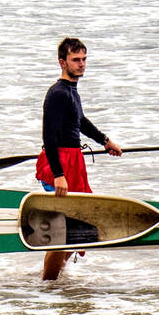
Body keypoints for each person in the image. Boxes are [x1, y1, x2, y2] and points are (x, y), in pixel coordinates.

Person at [34, 38, 122, 281]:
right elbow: (49, 136)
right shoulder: (57, 93)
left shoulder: (72, 91)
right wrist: (59, 175)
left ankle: (53, 281)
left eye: (84, 59)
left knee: (78, 228)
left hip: (74, 162)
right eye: (76, 60)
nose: (81, 64)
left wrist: (105, 141)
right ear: (62, 62)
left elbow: (80, 122)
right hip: (59, 164)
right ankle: (48, 288)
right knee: (62, 234)